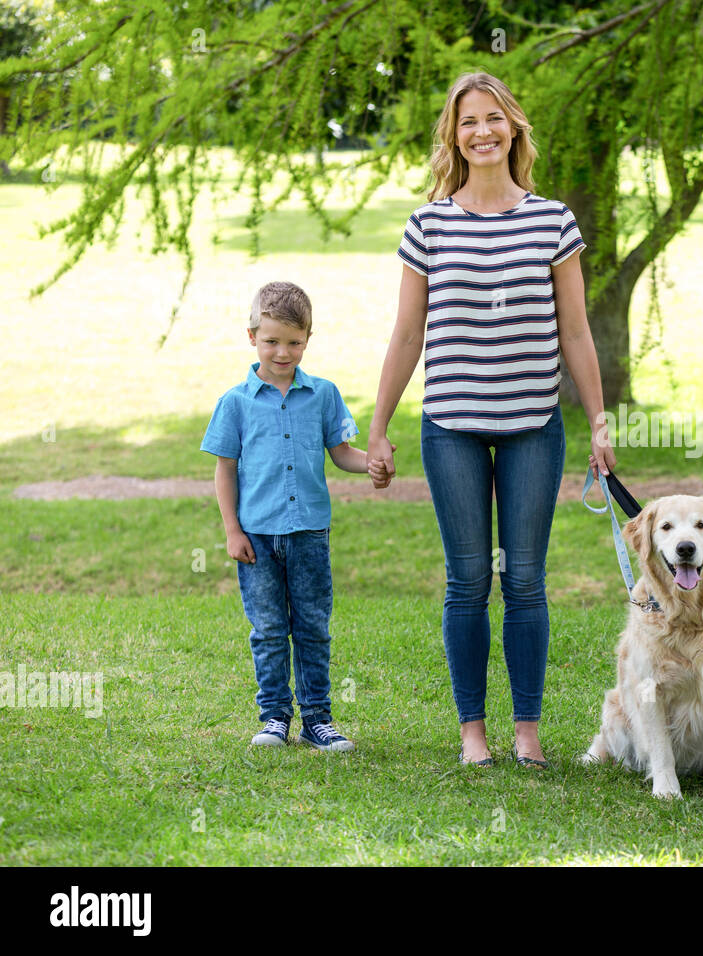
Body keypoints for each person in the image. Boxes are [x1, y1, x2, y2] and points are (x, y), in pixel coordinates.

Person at [367, 72, 615, 769]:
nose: (483, 132)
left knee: (528, 580)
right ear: (455, 135)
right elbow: (406, 333)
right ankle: (473, 730)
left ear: (514, 128)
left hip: (534, 424)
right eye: (469, 121)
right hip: (451, 427)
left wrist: (598, 422)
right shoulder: (428, 224)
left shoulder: (552, 219)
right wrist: (380, 426)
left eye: (494, 118)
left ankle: (527, 731)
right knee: (468, 579)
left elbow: (576, 332)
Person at [201, 281, 370, 751]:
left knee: (313, 626)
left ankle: (318, 719)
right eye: (272, 340)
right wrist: (232, 530)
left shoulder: (323, 395)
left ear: (308, 340)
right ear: (252, 335)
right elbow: (225, 470)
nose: (283, 351)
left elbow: (341, 452)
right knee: (269, 629)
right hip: (256, 535)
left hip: (310, 534)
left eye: (294, 342)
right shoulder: (234, 403)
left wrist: (371, 465)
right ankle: (274, 716)